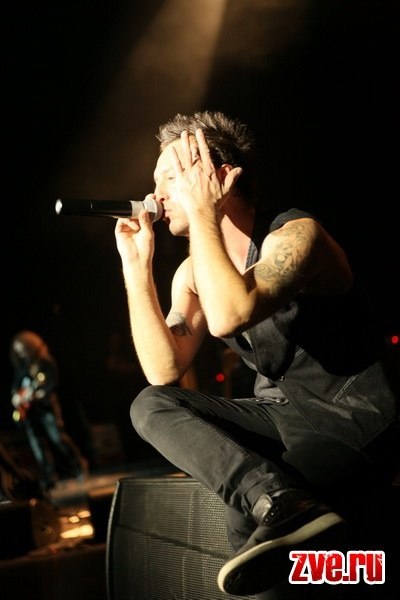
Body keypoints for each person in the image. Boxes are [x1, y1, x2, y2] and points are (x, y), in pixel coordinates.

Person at [113, 111, 399, 598]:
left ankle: (284, 507)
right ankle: (278, 499)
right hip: (283, 415)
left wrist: (205, 213)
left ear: (221, 179)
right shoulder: (191, 274)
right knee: (150, 404)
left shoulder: (297, 236)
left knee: (246, 524)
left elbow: (230, 314)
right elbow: (163, 368)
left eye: (171, 178)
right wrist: (136, 270)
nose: (155, 195)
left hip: (354, 416)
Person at [9, 330, 87, 492]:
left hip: (46, 407)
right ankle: (49, 478)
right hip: (30, 413)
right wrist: (16, 397)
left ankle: (79, 466)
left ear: (31, 346)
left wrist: (38, 395)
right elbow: (16, 386)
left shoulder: (45, 361)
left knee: (58, 439)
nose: (21, 353)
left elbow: (51, 385)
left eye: (23, 349)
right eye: (18, 351)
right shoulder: (21, 366)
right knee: (37, 446)